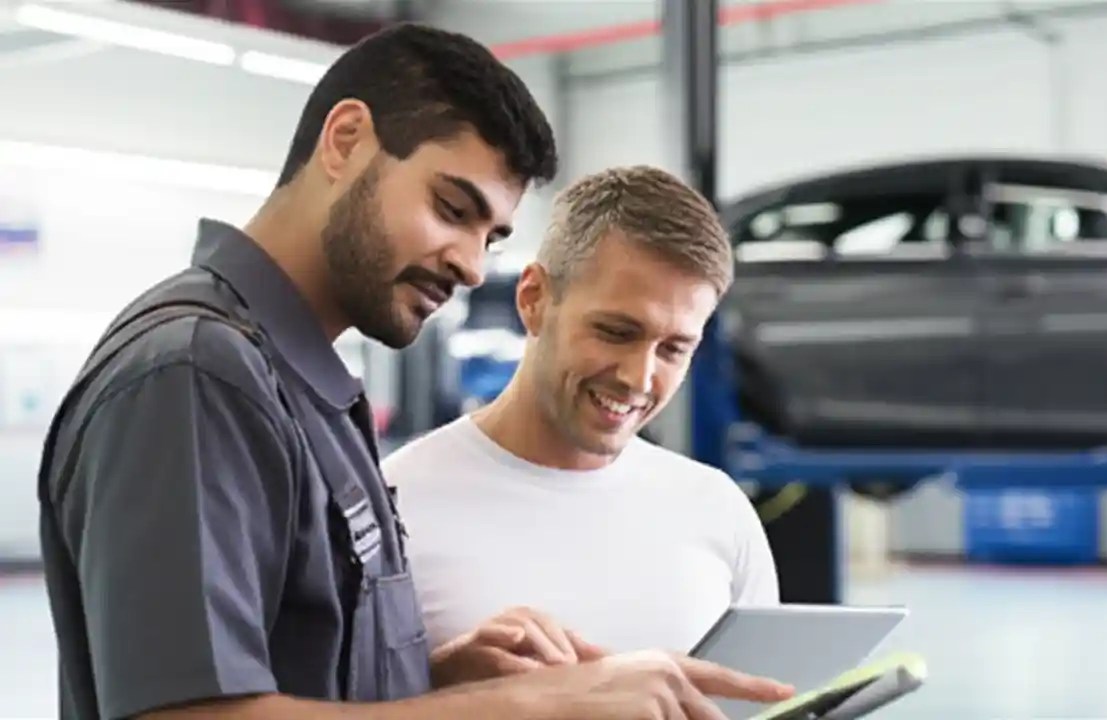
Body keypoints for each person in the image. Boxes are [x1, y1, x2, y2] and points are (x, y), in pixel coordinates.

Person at [35, 23, 791, 720]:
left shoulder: (300, 390)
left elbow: (300, 670)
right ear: (347, 140)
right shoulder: (198, 375)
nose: (468, 265)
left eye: (490, 235)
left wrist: (433, 680)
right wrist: (539, 704)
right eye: (450, 207)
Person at [382, 166, 781, 658]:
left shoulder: (718, 510)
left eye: (674, 349)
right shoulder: (397, 507)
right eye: (616, 332)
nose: (639, 377)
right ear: (534, 299)